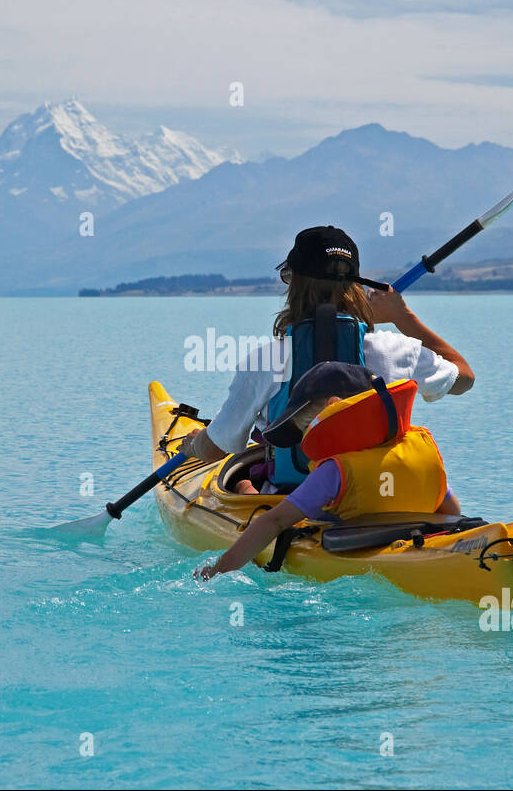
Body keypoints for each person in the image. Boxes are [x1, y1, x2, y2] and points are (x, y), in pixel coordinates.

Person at [179, 226, 473, 492]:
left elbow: (218, 447)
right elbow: (464, 379)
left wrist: (193, 445)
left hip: (291, 501)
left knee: (244, 480)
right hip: (378, 495)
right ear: (355, 286)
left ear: (293, 283)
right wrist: (403, 317)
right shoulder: (396, 349)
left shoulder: (265, 360)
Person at [195, 362, 459, 580]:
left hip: (361, 563)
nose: (306, 437)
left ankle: (245, 487)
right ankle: (245, 487)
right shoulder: (419, 448)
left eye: (306, 426)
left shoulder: (335, 471)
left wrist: (216, 571)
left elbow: (274, 522)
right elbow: (451, 512)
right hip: (425, 551)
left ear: (333, 406)